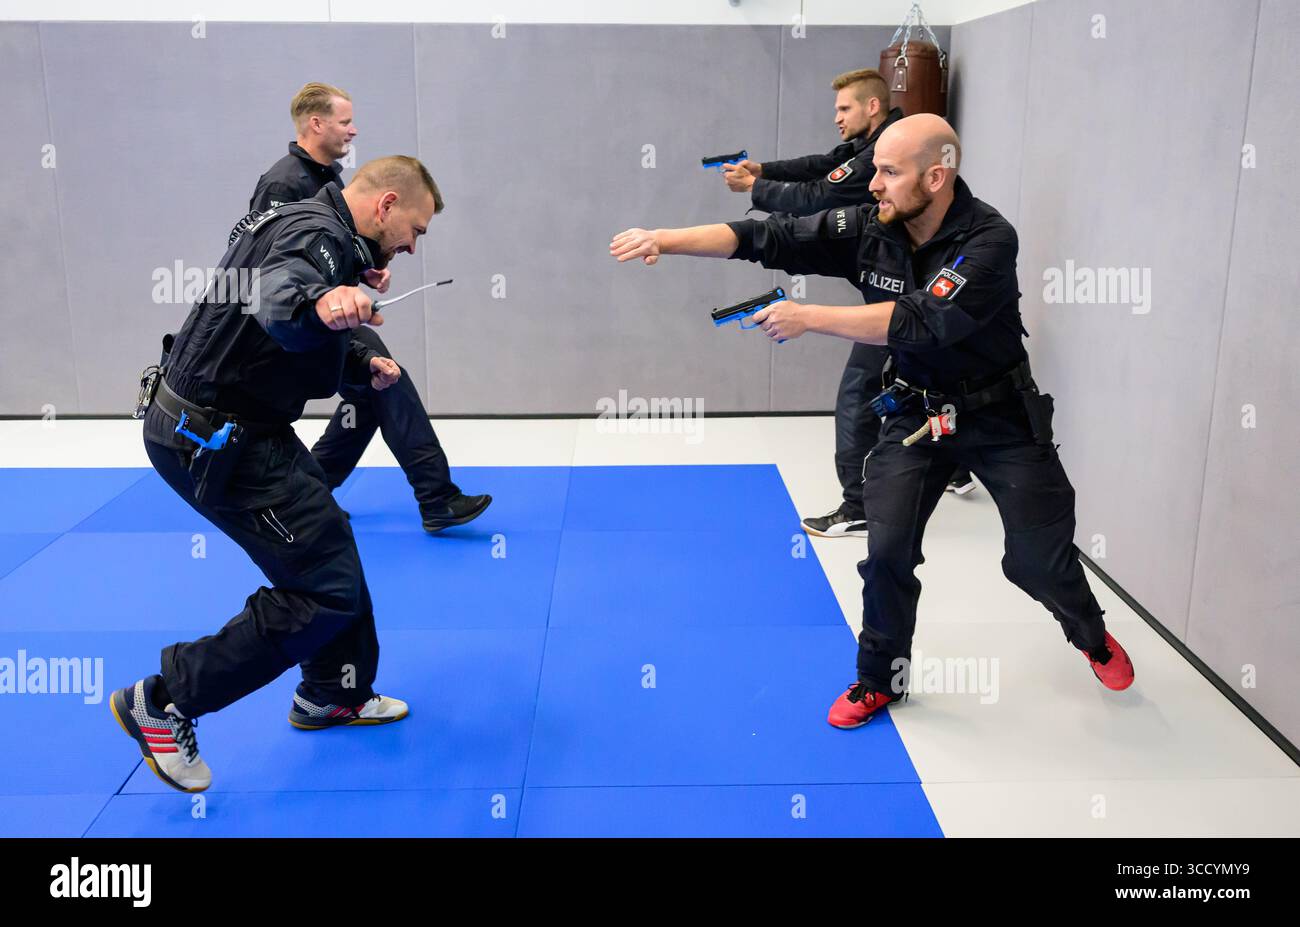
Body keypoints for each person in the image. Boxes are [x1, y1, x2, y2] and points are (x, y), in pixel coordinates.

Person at [611, 114, 1134, 730]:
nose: (874, 183)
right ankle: (878, 679)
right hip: (915, 411)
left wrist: (808, 316)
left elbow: (921, 320)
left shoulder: (990, 239)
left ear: (935, 177)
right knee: (886, 551)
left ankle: (1091, 635)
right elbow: (765, 237)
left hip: (1000, 415)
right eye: (875, 169)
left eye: (888, 171)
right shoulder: (868, 223)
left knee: (1034, 563)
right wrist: (663, 239)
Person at [110, 157, 441, 792]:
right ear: (386, 205)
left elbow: (268, 335)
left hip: (243, 424)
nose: (412, 245)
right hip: (212, 439)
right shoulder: (314, 239)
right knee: (323, 590)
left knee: (328, 539)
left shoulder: (319, 227)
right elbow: (278, 300)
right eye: (415, 230)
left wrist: (354, 362)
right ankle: (166, 700)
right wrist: (322, 302)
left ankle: (331, 691)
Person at [723, 70, 975, 540]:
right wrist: (765, 171)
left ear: (873, 107)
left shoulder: (883, 154)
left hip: (907, 301)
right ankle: (954, 466)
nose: (837, 117)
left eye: (845, 109)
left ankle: (858, 506)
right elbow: (823, 164)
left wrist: (756, 190)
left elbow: (824, 191)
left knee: (860, 394)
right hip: (913, 292)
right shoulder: (868, 149)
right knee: (929, 379)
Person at [252, 82, 490, 532]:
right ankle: (436, 497)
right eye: (345, 122)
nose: (353, 130)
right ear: (316, 124)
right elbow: (273, 264)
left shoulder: (327, 178)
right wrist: (319, 302)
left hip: (329, 306)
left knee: (371, 392)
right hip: (299, 318)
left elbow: (326, 254)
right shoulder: (284, 182)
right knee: (386, 381)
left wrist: (361, 272)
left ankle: (312, 495)